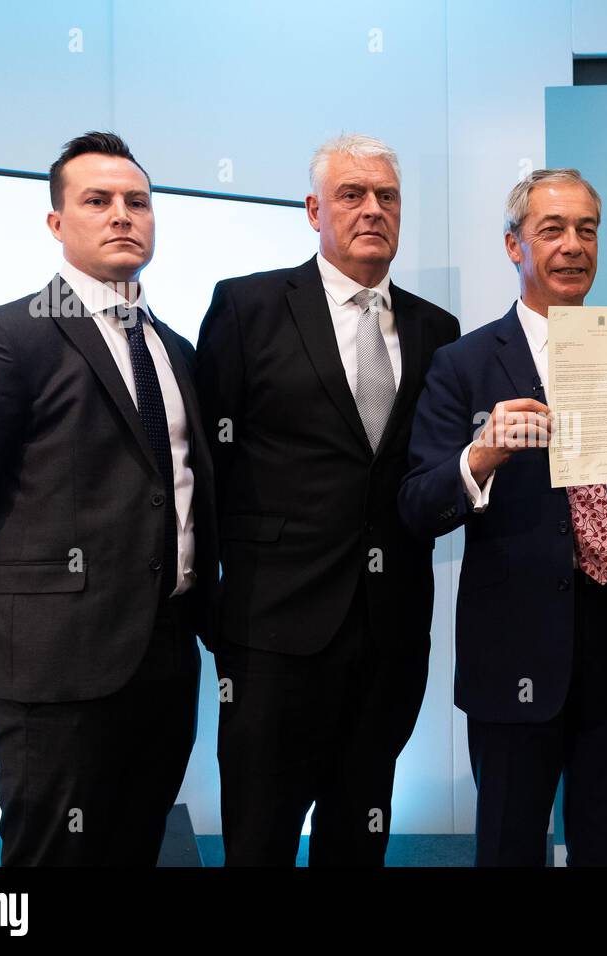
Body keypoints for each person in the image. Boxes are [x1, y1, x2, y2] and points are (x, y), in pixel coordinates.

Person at [0, 131, 216, 866]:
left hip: (166, 665)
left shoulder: (176, 350)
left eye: (137, 202)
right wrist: (11, 607)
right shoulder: (2, 336)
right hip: (51, 672)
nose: (121, 216)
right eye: (97, 201)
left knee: (135, 852)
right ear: (56, 223)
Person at [399, 168, 607, 866]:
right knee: (510, 848)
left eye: (587, 229)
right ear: (514, 245)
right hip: (513, 655)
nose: (574, 245)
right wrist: (479, 455)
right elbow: (418, 505)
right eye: (552, 230)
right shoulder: (463, 363)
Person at [195, 133, 459, 866]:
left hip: (391, 635)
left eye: (387, 196)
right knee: (260, 840)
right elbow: (205, 467)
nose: (372, 209)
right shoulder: (247, 307)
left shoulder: (439, 330)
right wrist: (213, 601)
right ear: (314, 209)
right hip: (271, 634)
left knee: (360, 835)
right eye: (351, 194)